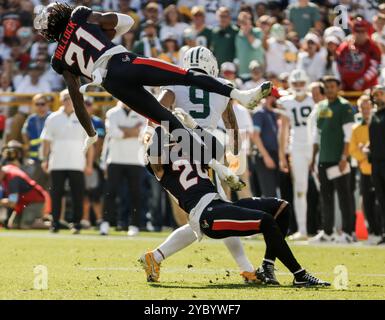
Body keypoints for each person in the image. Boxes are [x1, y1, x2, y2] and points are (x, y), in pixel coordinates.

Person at [34, 3, 272, 153]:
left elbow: (76, 100)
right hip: (123, 62)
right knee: (185, 75)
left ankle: (217, 168)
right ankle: (242, 95)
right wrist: (107, 33)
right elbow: (127, 22)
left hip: (112, 84)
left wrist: (91, 134)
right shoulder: (80, 15)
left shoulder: (59, 59)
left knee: (166, 121)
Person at [140, 125, 330, 287]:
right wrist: (159, 125)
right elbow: (155, 158)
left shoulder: (191, 150)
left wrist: (192, 126)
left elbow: (218, 149)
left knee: (281, 207)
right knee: (265, 221)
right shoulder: (157, 162)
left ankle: (267, 266)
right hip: (207, 215)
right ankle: (299, 275)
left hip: (218, 204)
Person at [144, 46, 258, 283]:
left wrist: (153, 138)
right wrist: (234, 157)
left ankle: (155, 257)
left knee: (201, 218)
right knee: (218, 210)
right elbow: (232, 127)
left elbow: (156, 110)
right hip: (208, 151)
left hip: (178, 151)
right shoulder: (221, 87)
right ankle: (247, 269)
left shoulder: (175, 81)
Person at [309, 76, 356, 244]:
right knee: (326, 197)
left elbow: (349, 136)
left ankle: (349, 233)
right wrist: (313, 157)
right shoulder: (321, 106)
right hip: (324, 159)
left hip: (339, 160)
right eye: (326, 87)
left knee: (344, 198)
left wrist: (344, 157)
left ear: (338, 87)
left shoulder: (344, 107)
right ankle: (327, 232)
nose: (329, 89)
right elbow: (318, 134)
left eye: (332, 86)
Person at [40, 89, 94, 234]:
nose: (68, 101)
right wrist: (45, 160)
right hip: (57, 162)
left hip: (77, 163)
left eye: (70, 98)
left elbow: (90, 143)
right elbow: (46, 142)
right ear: (61, 100)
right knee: (56, 194)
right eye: (65, 98)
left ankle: (76, 224)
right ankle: (55, 222)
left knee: (78, 194)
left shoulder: (83, 116)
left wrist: (89, 164)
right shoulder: (53, 118)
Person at [100, 101, 146, 237]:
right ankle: (105, 224)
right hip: (115, 159)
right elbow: (113, 133)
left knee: (136, 194)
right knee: (110, 193)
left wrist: (123, 130)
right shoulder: (112, 113)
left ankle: (134, 225)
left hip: (136, 160)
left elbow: (142, 133)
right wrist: (132, 131)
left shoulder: (142, 112)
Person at [279, 69, 314, 241]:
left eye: (301, 83)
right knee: (300, 189)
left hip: (315, 146)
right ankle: (303, 230)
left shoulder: (314, 99)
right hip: (297, 147)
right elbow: (284, 130)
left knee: (326, 187)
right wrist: (281, 154)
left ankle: (335, 230)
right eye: (296, 84)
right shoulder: (286, 102)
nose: (299, 87)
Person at [349, 95, 382, 244]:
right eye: (363, 108)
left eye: (368, 107)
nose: (366, 111)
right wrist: (363, 157)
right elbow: (352, 149)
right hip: (365, 169)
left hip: (379, 166)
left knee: (380, 202)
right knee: (368, 202)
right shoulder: (356, 128)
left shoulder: (379, 122)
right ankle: (374, 232)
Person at [250, 87, 282, 197]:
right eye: (274, 97)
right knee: (269, 193)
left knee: (277, 192)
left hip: (274, 154)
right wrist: (266, 157)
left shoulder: (273, 113)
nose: (276, 100)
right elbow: (255, 136)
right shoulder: (259, 113)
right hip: (264, 156)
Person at [336, 18, 381, 91]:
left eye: (363, 31)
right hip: (346, 89)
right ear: (353, 31)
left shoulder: (373, 48)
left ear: (367, 32)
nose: (360, 34)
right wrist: (340, 80)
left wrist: (363, 80)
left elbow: (375, 67)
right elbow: (338, 63)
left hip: (367, 89)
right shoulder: (344, 47)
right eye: (357, 31)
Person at [0, 163, 49, 229]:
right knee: (13, 226)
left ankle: (53, 224)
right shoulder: (7, 168)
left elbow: (12, 203)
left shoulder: (12, 178)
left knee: (25, 225)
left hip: (35, 202)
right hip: (24, 203)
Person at [369, 85, 385, 245]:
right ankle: (384, 233)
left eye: (381, 93)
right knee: (380, 199)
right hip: (376, 163)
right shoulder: (374, 115)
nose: (378, 96)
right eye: (376, 94)